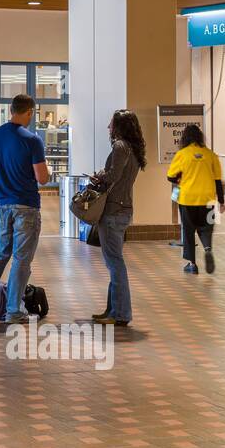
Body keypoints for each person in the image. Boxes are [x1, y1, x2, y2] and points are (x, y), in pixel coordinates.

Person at [0, 93, 50, 324]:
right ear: (29, 112)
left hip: (2, 204)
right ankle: (14, 310)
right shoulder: (32, 140)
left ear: (11, 109)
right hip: (26, 205)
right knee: (21, 259)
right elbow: (42, 178)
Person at [90, 109, 145, 327]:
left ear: (119, 126)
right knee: (114, 261)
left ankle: (121, 312)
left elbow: (113, 175)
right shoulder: (133, 148)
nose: (108, 127)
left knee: (115, 263)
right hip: (124, 209)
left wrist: (99, 175)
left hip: (113, 210)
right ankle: (112, 309)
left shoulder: (120, 146)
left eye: (111, 123)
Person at [166, 124, 225, 275]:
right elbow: (218, 180)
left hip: (187, 198)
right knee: (207, 228)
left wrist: (181, 177)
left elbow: (170, 176)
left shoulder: (182, 154)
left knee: (188, 230)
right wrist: (222, 202)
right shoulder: (211, 154)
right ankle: (208, 249)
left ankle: (192, 265)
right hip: (209, 199)